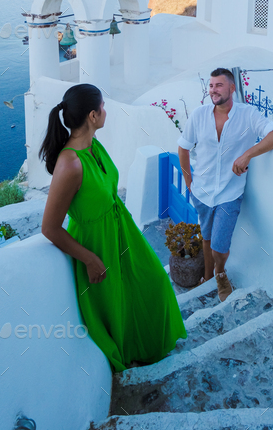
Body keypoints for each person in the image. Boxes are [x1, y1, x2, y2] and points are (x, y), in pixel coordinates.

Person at [40, 83, 187, 372]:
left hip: (122, 231)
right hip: (97, 244)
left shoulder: (93, 145)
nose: (106, 111)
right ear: (92, 116)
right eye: (103, 107)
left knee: (154, 282)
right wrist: (90, 259)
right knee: (117, 304)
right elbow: (49, 227)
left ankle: (148, 347)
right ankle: (131, 353)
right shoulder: (70, 165)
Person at [178, 68, 273, 302]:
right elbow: (183, 146)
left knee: (219, 245)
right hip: (202, 191)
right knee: (206, 237)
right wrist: (189, 182)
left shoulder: (248, 115)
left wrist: (248, 154)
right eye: (211, 86)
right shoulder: (199, 115)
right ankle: (207, 277)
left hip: (230, 192)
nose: (213, 90)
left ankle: (219, 273)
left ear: (231, 88)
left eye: (219, 85)